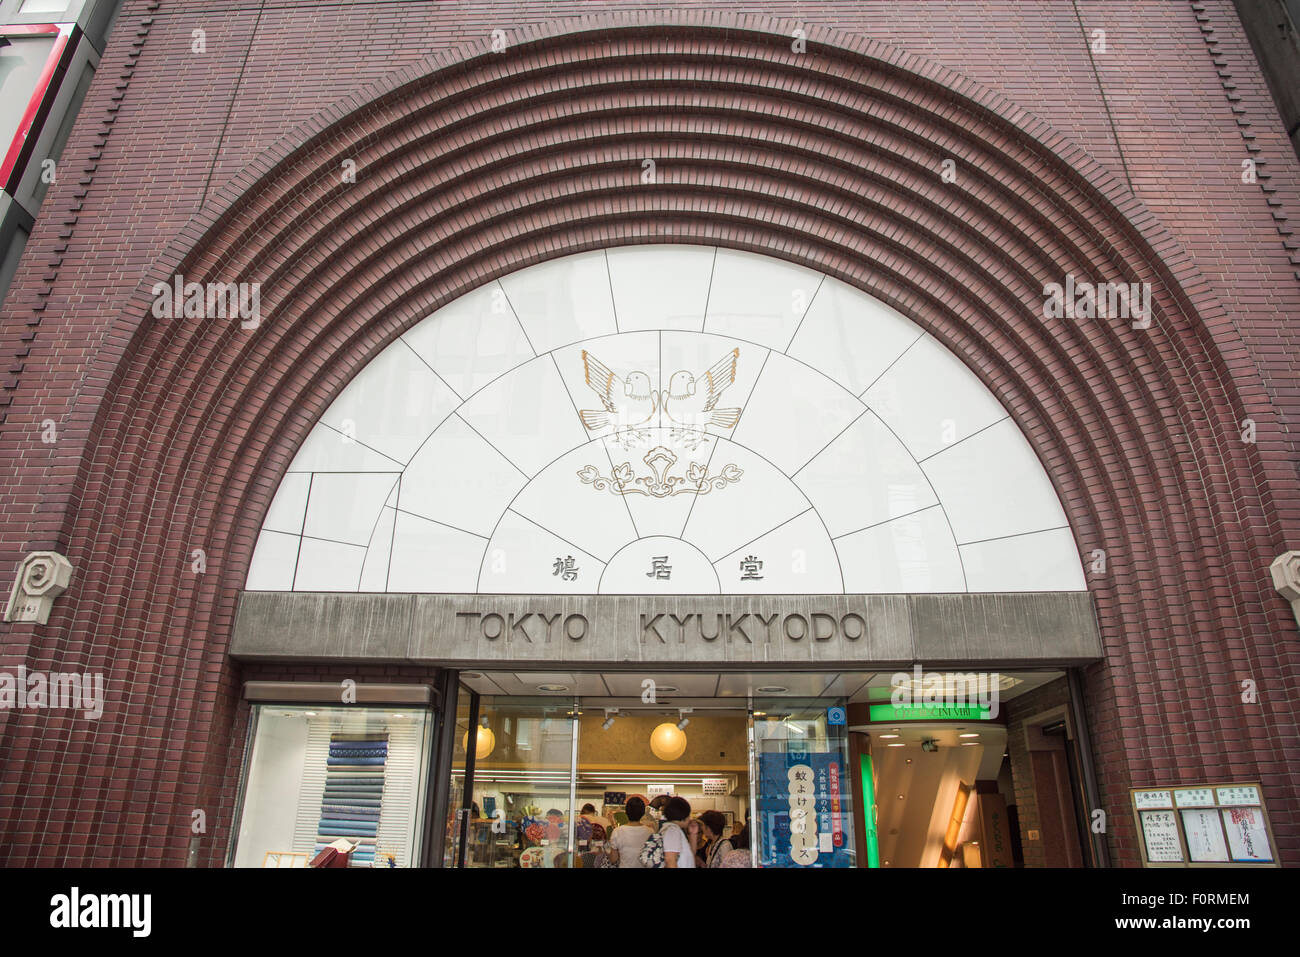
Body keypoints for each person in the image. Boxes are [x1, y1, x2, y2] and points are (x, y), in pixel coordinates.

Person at [605, 796, 653, 868]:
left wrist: (607, 851)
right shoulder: (650, 831)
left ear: (626, 812)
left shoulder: (617, 831)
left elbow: (613, 859)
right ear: (643, 813)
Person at [660, 796, 695, 868]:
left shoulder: (674, 830)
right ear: (684, 815)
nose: (690, 818)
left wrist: (693, 834)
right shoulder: (672, 831)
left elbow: (689, 855)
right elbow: (670, 861)